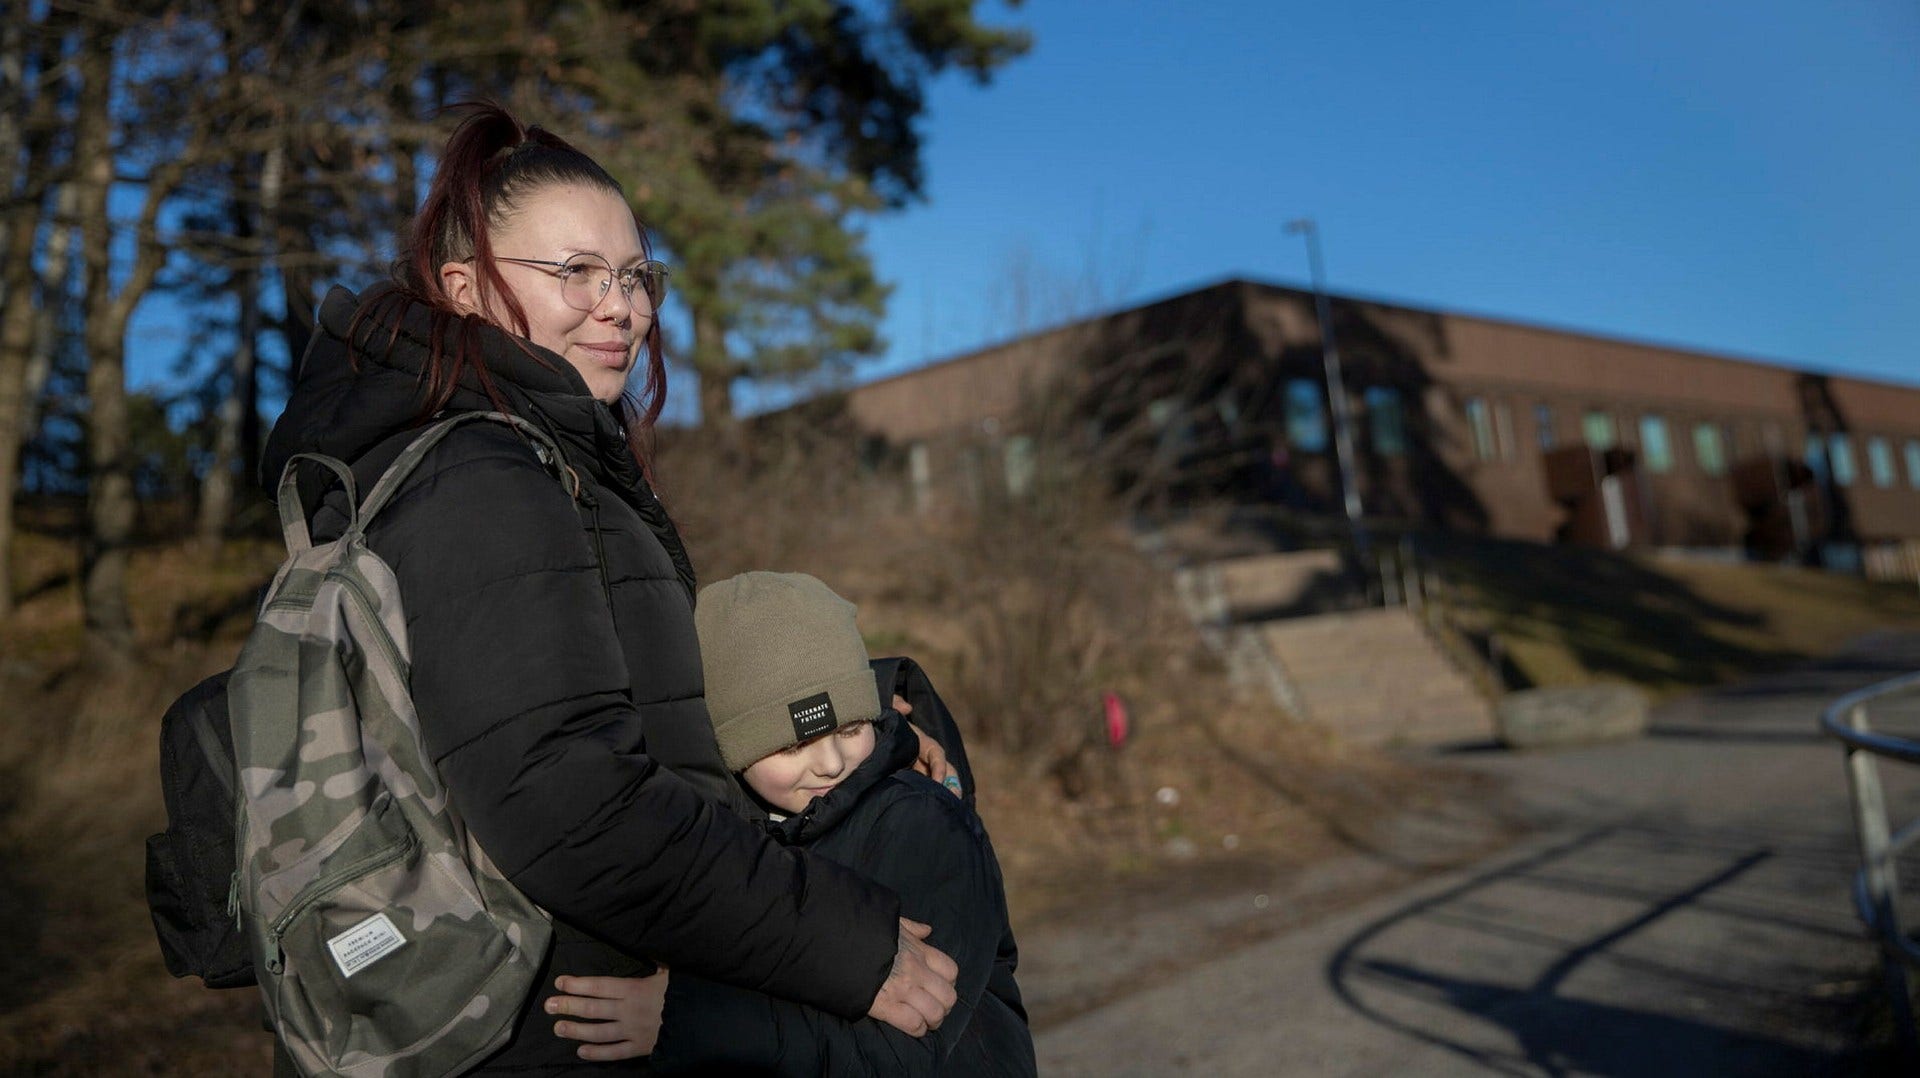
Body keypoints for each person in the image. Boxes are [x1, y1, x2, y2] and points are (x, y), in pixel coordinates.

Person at [258, 103, 956, 1075]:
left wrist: (862, 723)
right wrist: (843, 943)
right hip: (546, 1031)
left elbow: (648, 726)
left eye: (635, 276)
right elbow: (567, 799)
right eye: (577, 271)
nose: (623, 306)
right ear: (465, 287)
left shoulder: (536, 463)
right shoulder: (483, 479)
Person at [547, 572, 1035, 1076]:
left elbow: (900, 1051)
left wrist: (686, 1020)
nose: (830, 763)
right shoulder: (733, 829)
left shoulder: (923, 824)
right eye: (792, 745)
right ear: (730, 749)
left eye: (851, 727)